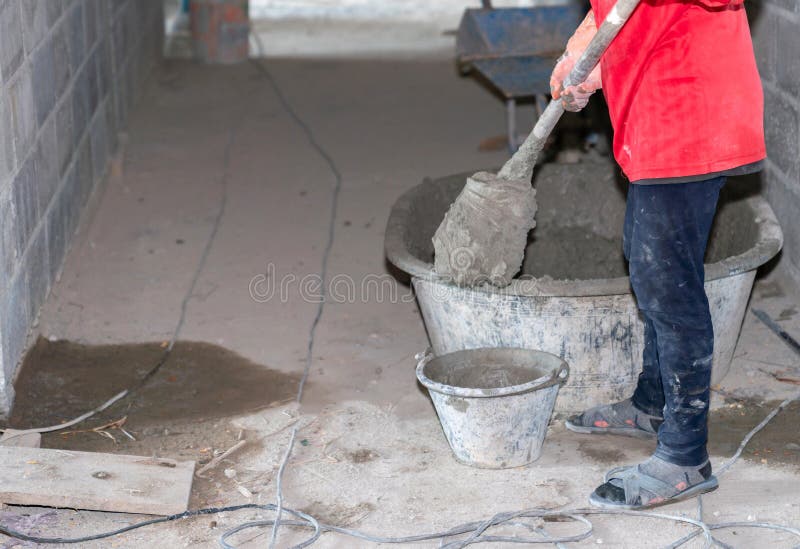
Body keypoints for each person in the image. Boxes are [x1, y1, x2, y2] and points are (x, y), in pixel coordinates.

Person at [549, 0, 765, 510]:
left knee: (667, 285)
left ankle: (686, 456)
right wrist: (582, 57)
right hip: (651, 113)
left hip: (692, 112)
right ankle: (652, 404)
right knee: (649, 265)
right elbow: (615, 10)